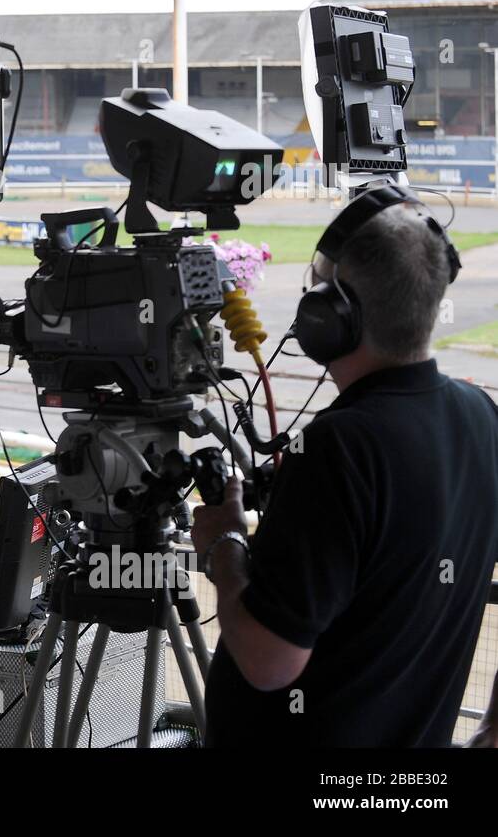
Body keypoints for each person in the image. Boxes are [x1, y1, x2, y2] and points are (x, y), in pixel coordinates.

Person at [193, 185, 498, 747]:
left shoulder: (340, 448)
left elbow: (269, 662)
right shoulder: (483, 417)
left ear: (330, 315)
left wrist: (223, 543)